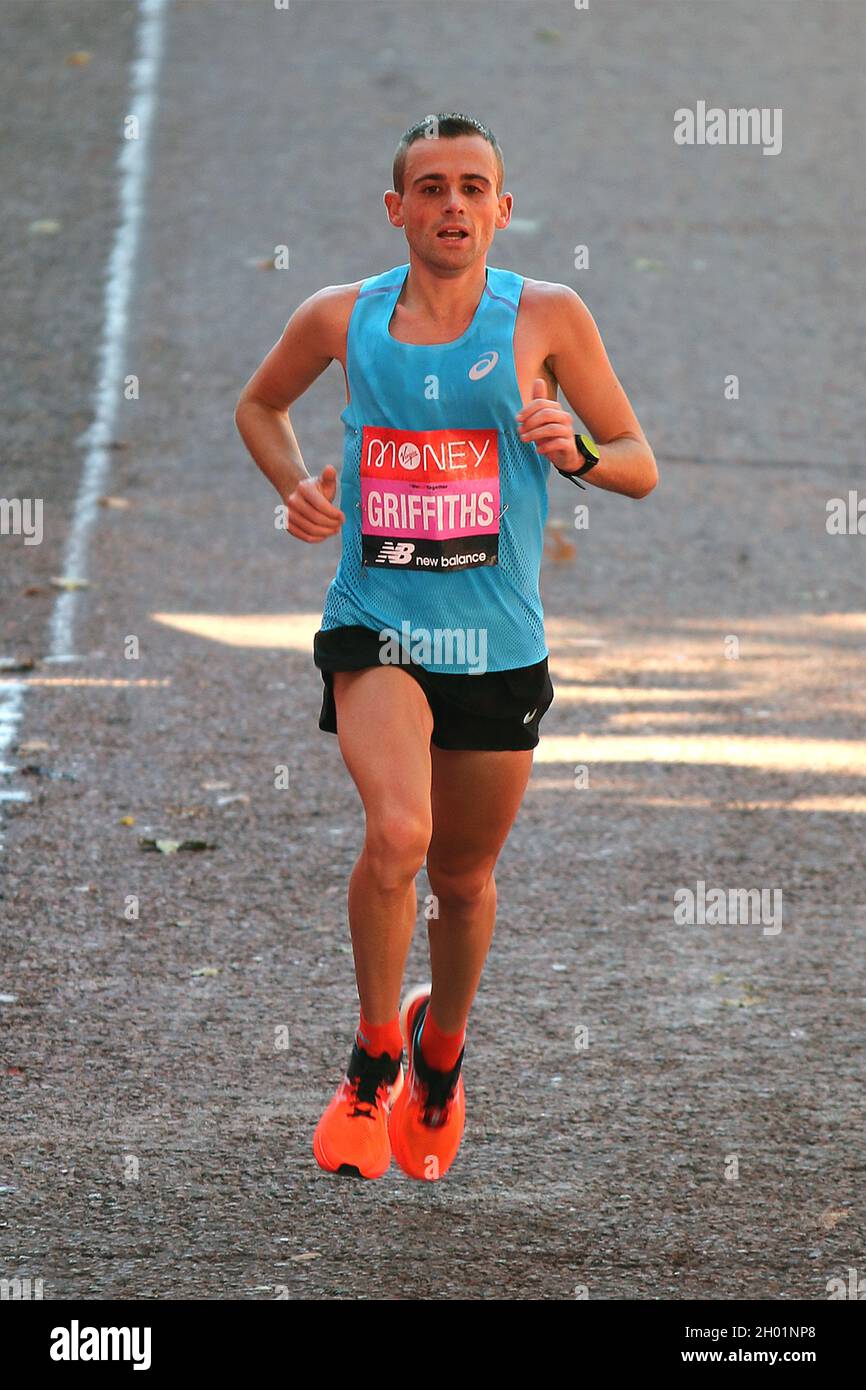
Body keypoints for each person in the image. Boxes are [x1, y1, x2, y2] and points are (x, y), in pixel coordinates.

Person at [235, 112, 657, 1183]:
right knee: (397, 834)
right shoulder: (339, 316)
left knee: (463, 879)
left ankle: (439, 1050)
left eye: (473, 186)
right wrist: (294, 486)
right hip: (373, 620)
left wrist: (580, 448)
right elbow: (260, 404)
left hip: (497, 640)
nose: (452, 204)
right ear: (397, 210)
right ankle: (372, 1059)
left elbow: (638, 462)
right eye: (430, 187)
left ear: (501, 210)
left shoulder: (547, 316)